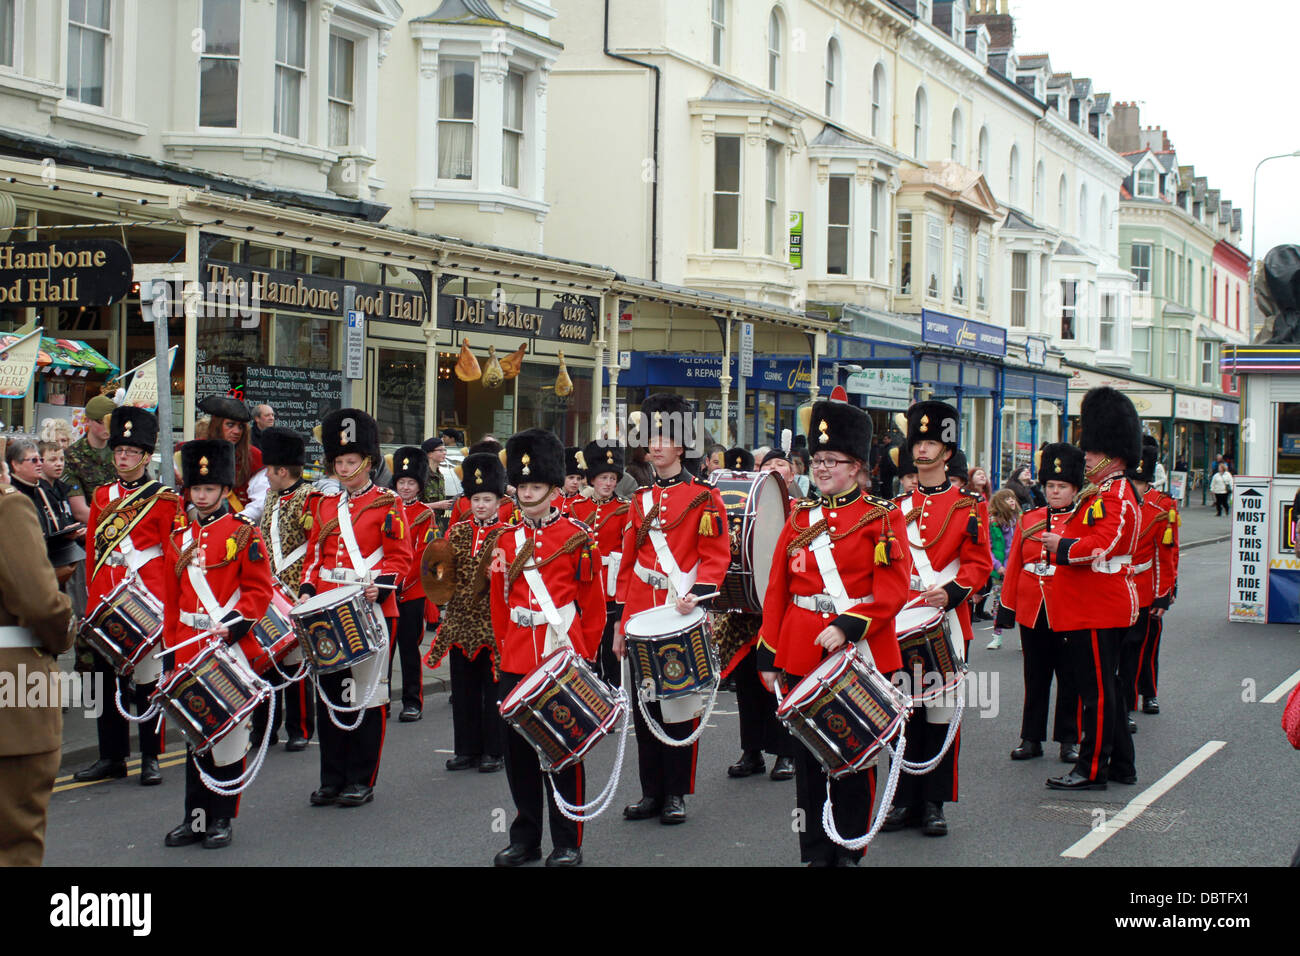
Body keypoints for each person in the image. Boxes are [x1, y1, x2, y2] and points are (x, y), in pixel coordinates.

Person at [757, 399, 911, 865]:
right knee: (809, 755)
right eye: (817, 460)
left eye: (833, 461)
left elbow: (894, 590)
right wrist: (768, 652)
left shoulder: (881, 517)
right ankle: (815, 850)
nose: (822, 468)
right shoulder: (801, 516)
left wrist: (847, 625)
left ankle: (849, 848)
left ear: (857, 467)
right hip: (801, 647)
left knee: (854, 754)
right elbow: (778, 588)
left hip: (858, 651)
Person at [488, 429, 605, 867]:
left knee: (563, 748)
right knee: (518, 751)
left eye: (535, 487)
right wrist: (504, 651)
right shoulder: (505, 537)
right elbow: (501, 601)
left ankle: (567, 839)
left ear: (553, 490)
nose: (527, 494)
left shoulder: (576, 535)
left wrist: (586, 656)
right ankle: (526, 838)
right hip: (519, 652)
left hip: (561, 651)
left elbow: (592, 605)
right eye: (521, 487)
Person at [614, 393, 730, 826]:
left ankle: (676, 793)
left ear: (682, 446)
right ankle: (651, 792)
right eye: (651, 437)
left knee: (679, 705)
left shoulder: (703, 497)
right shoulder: (639, 499)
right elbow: (628, 564)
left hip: (679, 609)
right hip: (644, 611)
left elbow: (716, 555)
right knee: (646, 706)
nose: (655, 445)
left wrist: (695, 595)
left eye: (663, 437)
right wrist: (621, 624)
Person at [884, 402, 992, 837]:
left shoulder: (969, 505)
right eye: (918, 442)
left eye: (931, 442)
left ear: (947, 452)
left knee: (940, 712)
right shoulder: (894, 506)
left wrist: (950, 593)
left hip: (946, 621)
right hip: (902, 621)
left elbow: (980, 563)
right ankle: (901, 799)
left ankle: (933, 803)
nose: (922, 449)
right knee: (901, 712)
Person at [161, 439, 274, 849]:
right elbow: (172, 604)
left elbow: (258, 592)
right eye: (196, 489)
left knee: (226, 736)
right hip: (190, 645)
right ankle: (194, 819)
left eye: (210, 489)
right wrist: (171, 656)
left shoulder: (244, 533)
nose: (202, 495)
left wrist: (236, 625)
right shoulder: (178, 537)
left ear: (225, 489)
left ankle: (222, 818)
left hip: (227, 644)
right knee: (196, 737)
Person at [298, 409, 412, 808]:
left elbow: (401, 559)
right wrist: (307, 589)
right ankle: (331, 777)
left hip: (371, 607)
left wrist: (378, 588)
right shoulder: (322, 503)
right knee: (330, 694)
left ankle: (360, 778)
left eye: (352, 462)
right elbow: (314, 555)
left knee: (366, 696)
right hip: (327, 607)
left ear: (367, 462)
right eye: (339, 462)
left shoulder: (388, 504)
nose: (344, 469)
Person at [1041, 387, 1141, 791]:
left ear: (1112, 455)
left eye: (1092, 453)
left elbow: (1104, 545)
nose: (1087, 458)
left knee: (1096, 694)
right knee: (1108, 689)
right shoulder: (1100, 492)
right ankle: (1122, 765)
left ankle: (1091, 768)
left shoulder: (1116, 495)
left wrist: (1060, 547)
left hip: (1100, 607)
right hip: (1091, 606)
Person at [74, 407, 180, 787]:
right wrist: (91, 604)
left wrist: (167, 606)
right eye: (119, 450)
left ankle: (151, 757)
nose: (123, 457)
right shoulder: (102, 495)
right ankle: (112, 756)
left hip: (147, 599)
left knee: (148, 681)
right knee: (105, 681)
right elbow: (93, 551)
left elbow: (173, 553)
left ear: (146, 457)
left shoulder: (165, 498)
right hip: (107, 598)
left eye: (131, 452)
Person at [0, 483, 74, 866]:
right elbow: (41, 606)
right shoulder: (8, 508)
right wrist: (65, 633)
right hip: (12, 706)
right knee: (14, 848)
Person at [996, 443, 1082, 763]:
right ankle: (1031, 738)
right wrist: (1007, 606)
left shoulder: (1084, 521)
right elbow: (1015, 562)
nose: (1055, 492)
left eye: (1062, 486)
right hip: (1034, 607)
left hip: (1069, 608)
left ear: (1075, 489)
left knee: (1069, 677)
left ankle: (1068, 740)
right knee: (1035, 677)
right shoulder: (1030, 518)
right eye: (1050, 486)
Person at [427, 451, 510, 774]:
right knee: (463, 690)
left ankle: (494, 749)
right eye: (475, 499)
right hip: (460, 621)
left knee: (493, 690)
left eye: (487, 499)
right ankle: (466, 748)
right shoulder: (457, 531)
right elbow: (442, 573)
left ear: (498, 501)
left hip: (492, 623)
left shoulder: (507, 534)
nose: (480, 505)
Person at [254, 426, 316, 751]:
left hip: (295, 591)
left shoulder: (310, 497)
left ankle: (300, 728)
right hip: (269, 593)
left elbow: (314, 546)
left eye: (268, 470)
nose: (266, 476)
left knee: (294, 665)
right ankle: (264, 729)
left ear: (281, 470)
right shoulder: (271, 497)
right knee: (265, 663)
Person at [1119, 435, 1180, 725]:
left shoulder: (1161, 508)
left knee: (1142, 645)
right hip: (1114, 587)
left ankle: (1144, 695)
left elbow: (1166, 553)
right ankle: (1118, 703)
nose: (1135, 488)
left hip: (1144, 586)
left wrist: (1164, 591)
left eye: (1139, 482)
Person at [569, 441, 633, 686]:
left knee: (611, 652)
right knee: (585, 651)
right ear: (592, 480)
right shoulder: (576, 508)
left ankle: (613, 701)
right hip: (582, 585)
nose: (608, 483)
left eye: (612, 478)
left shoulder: (624, 509)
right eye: (603, 477)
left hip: (610, 588)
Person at [389, 447, 434, 722]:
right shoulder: (385, 508)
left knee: (408, 648)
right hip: (384, 591)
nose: (405, 487)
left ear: (419, 486)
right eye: (401, 482)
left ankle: (412, 700)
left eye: (410, 483)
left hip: (410, 591)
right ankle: (380, 701)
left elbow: (422, 554)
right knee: (384, 651)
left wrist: (400, 582)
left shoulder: (424, 513)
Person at [197, 395, 268, 523]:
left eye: (240, 427)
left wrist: (233, 522)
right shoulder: (197, 450)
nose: (236, 431)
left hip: (239, 529)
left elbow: (260, 502)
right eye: (230, 425)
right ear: (217, 425)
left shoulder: (254, 456)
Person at [983, 488, 1021, 648]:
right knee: (999, 603)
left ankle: (1023, 638)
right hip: (1001, 571)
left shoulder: (1021, 520)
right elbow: (988, 548)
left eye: (1012, 498)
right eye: (1007, 499)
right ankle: (997, 636)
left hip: (1019, 567)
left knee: (1021, 604)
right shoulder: (993, 523)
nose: (1012, 501)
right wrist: (997, 566)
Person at [559, 447, 587, 513]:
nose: (575, 482)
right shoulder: (550, 500)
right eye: (571, 478)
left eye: (578, 479)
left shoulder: (584, 502)